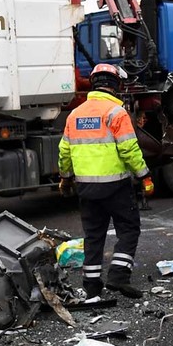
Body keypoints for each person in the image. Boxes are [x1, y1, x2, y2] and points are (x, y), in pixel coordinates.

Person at [58, 64, 155, 299]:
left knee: (93, 236)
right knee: (129, 229)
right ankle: (118, 277)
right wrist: (144, 176)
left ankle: (92, 286)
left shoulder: (75, 114)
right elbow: (129, 149)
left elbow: (64, 151)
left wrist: (66, 178)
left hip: (86, 189)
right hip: (116, 187)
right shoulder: (116, 113)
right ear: (116, 86)